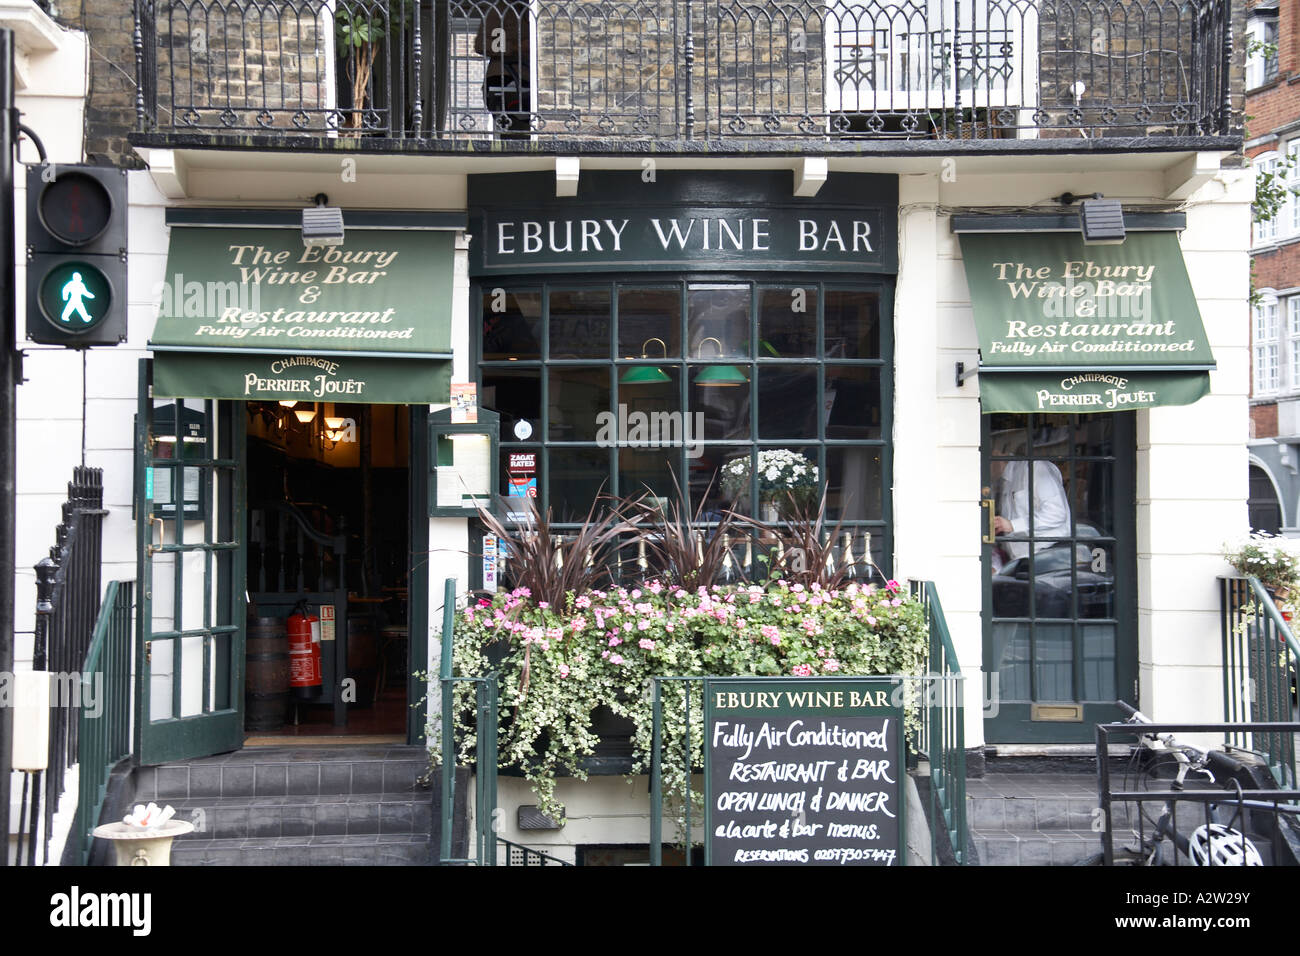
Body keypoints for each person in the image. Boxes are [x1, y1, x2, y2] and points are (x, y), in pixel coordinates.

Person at [993, 458, 1071, 563]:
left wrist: (1013, 525)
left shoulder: (1035, 467)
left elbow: (1056, 513)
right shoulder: (1002, 482)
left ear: (998, 455)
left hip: (1048, 556)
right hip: (1023, 559)